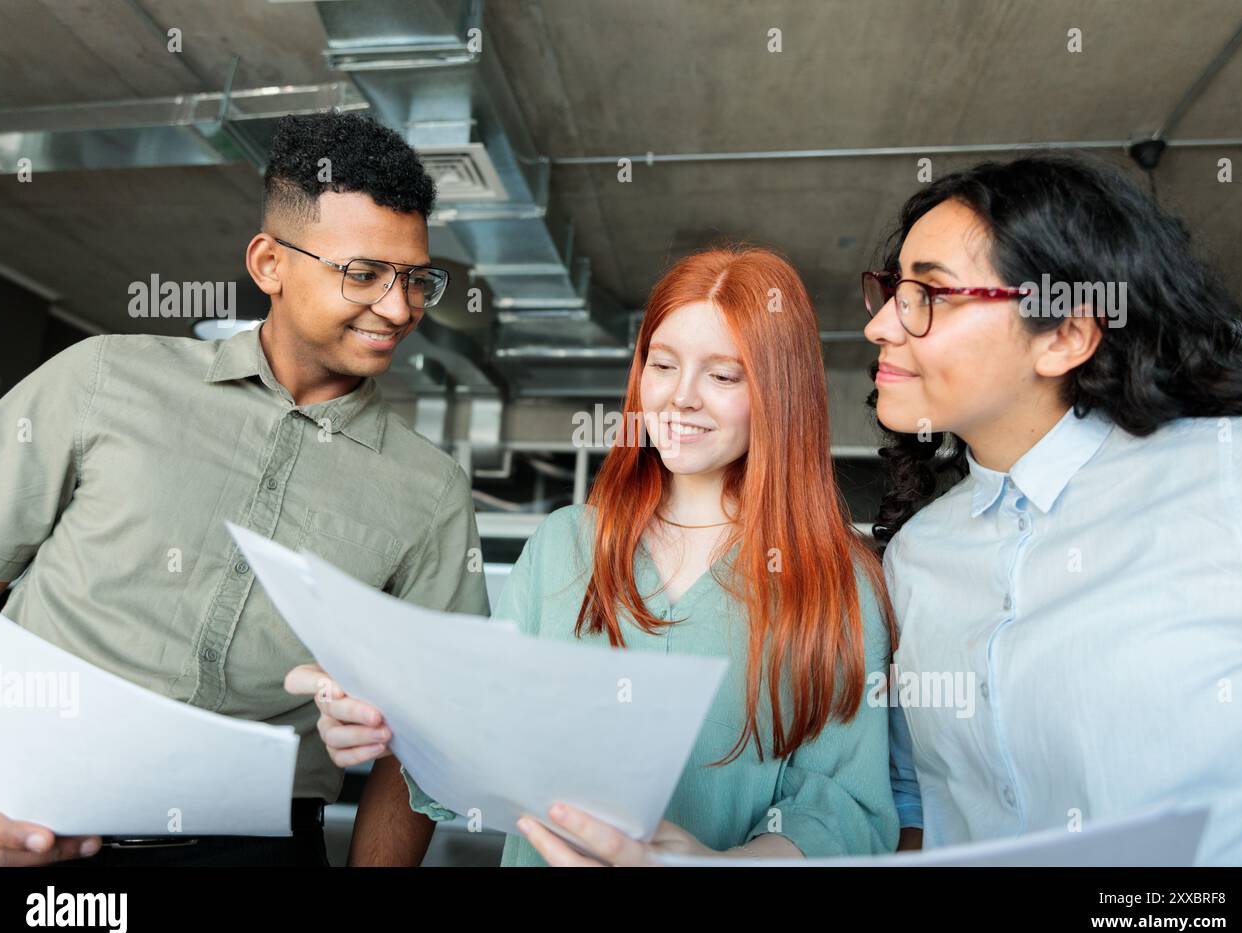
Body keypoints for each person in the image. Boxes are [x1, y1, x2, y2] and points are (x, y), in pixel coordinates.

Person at [0, 111, 488, 866]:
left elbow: (419, 741)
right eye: (365, 273)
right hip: (28, 820)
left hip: (255, 850)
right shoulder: (101, 379)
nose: (400, 307)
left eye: (416, 278)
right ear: (269, 263)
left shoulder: (432, 491)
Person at [291, 246, 902, 865]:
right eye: (662, 365)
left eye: (723, 376)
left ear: (781, 392)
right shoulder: (563, 544)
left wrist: (715, 867)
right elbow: (487, 740)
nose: (681, 398)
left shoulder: (841, 582)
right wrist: (390, 719)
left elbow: (842, 809)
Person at [862, 153, 1242, 864]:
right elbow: (915, 801)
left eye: (930, 294)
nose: (880, 328)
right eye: (893, 290)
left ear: (1063, 336)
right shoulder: (915, 556)